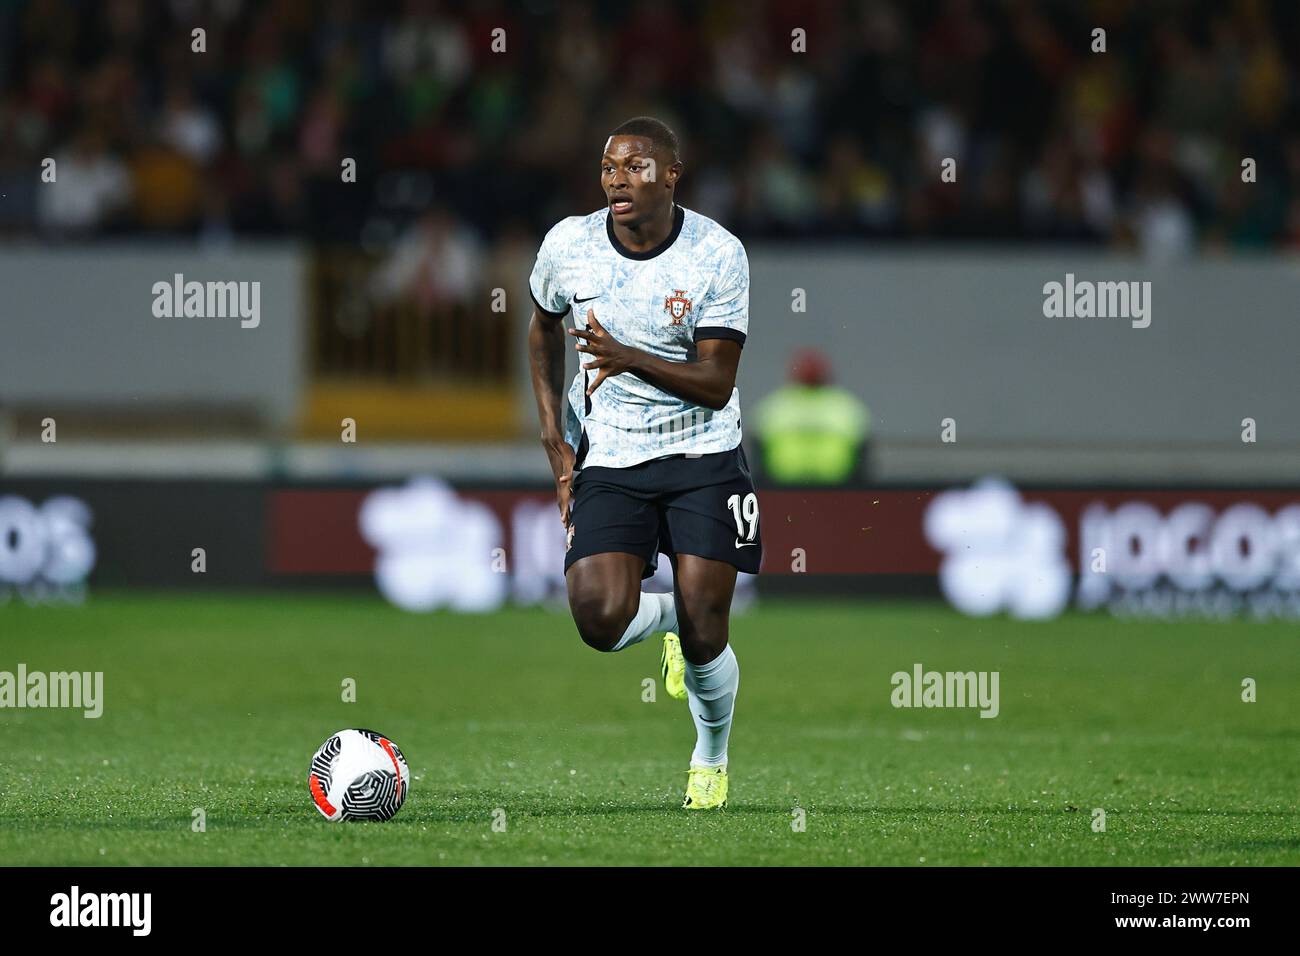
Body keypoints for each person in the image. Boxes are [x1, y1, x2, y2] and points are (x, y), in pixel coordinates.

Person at [527, 116, 760, 810]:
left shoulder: (717, 254)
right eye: (608, 168)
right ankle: (666, 621)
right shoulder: (568, 245)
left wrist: (629, 357)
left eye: (635, 167)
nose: (618, 181)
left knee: (709, 628)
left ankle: (710, 759)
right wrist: (552, 438)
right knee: (599, 619)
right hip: (613, 451)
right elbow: (541, 325)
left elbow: (716, 382)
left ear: (671, 174)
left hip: (703, 451)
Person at [752, 348, 872, 485]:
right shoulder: (846, 407)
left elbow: (862, 456)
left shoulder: (773, 407)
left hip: (836, 488)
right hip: (784, 488)